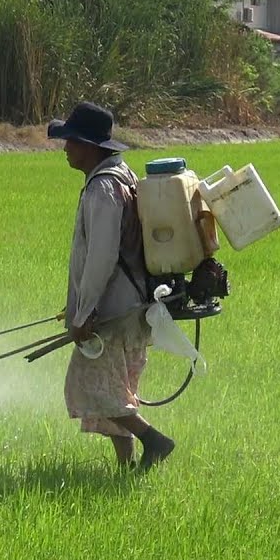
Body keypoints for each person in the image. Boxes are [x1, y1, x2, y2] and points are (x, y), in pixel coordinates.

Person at [47, 101, 178, 472]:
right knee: (116, 388)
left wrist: (85, 312)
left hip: (114, 309)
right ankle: (126, 468)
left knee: (90, 386)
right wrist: (76, 306)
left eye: (71, 141)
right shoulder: (122, 175)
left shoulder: (103, 189)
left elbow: (101, 258)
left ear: (90, 146)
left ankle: (155, 440)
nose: (65, 148)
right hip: (132, 304)